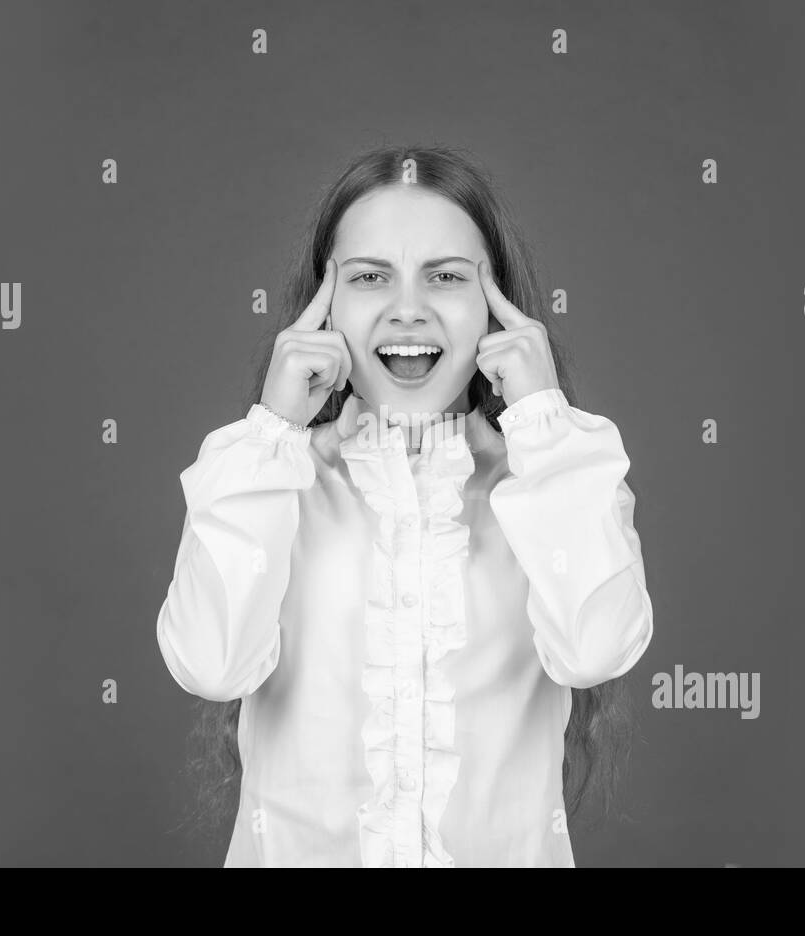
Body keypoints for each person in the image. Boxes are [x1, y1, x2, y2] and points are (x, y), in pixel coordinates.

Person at [156, 145, 655, 866]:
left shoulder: (549, 482)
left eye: (447, 276)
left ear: (496, 308)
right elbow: (209, 661)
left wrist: (543, 420)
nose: (409, 308)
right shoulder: (272, 480)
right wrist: (272, 430)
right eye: (368, 277)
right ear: (323, 310)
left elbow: (599, 646)